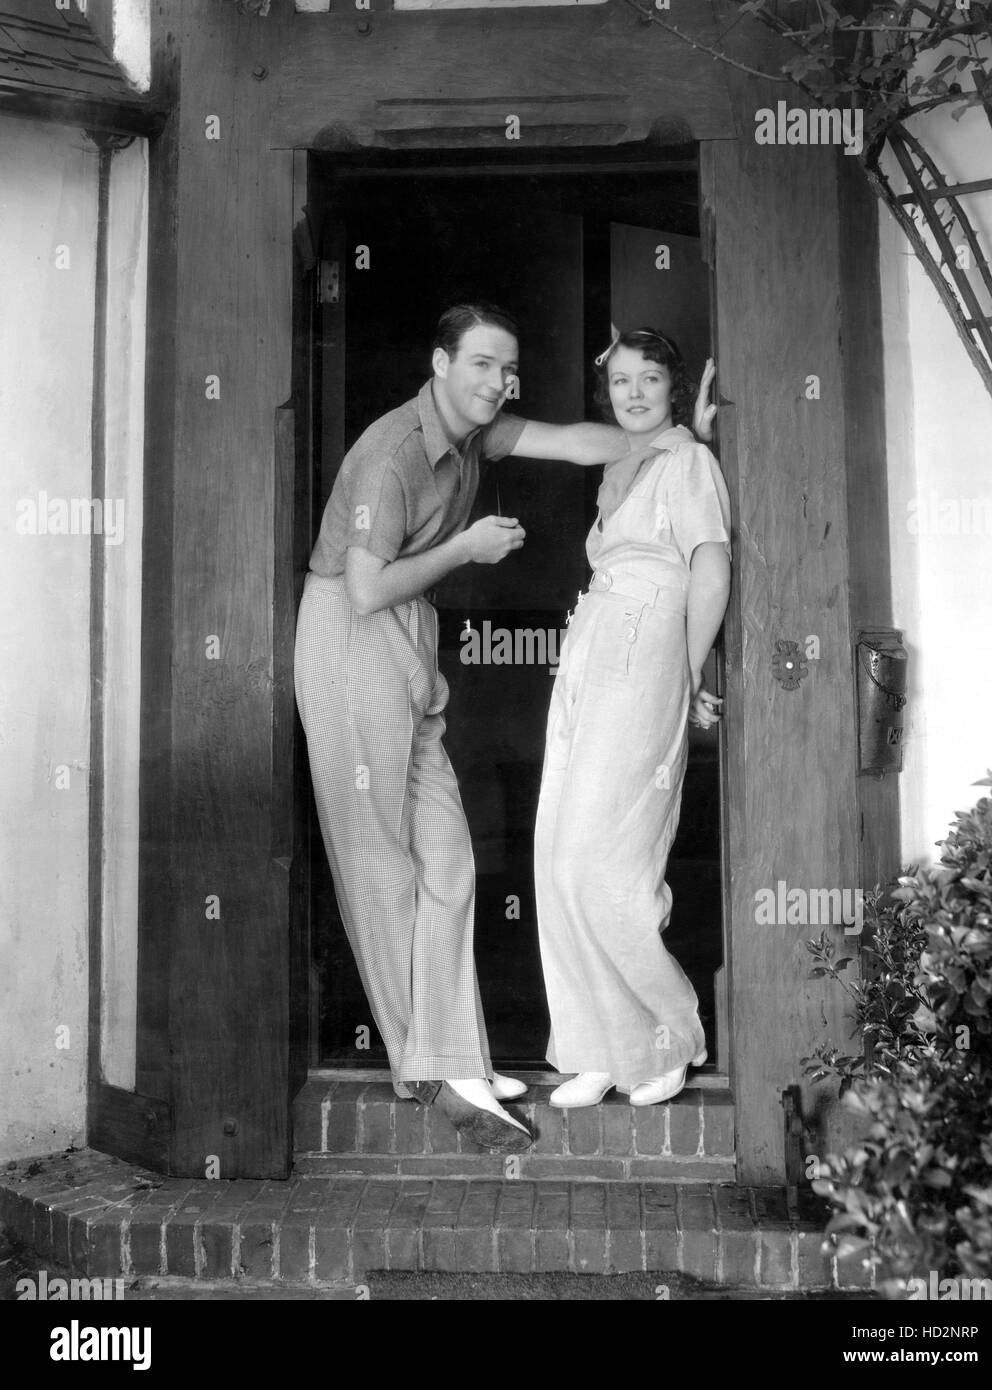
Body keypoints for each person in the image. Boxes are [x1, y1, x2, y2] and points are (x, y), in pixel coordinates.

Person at [294, 302, 633, 1152]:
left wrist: (664, 433)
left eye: (506, 367)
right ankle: (442, 1069)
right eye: (481, 364)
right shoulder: (391, 455)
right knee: (381, 862)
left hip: (410, 633)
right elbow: (367, 589)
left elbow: (570, 441)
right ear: (440, 363)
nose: (498, 381)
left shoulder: (477, 433)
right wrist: (469, 547)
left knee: (447, 857)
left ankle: (451, 1056)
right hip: (352, 633)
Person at [535, 326, 732, 1109]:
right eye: (622, 381)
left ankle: (667, 1035)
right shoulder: (628, 463)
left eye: (651, 378)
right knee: (557, 856)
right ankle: (596, 1048)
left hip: (645, 645)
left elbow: (710, 571)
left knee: (605, 863)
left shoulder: (688, 460)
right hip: (592, 644)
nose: (636, 392)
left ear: (673, 389)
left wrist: (684, 678)